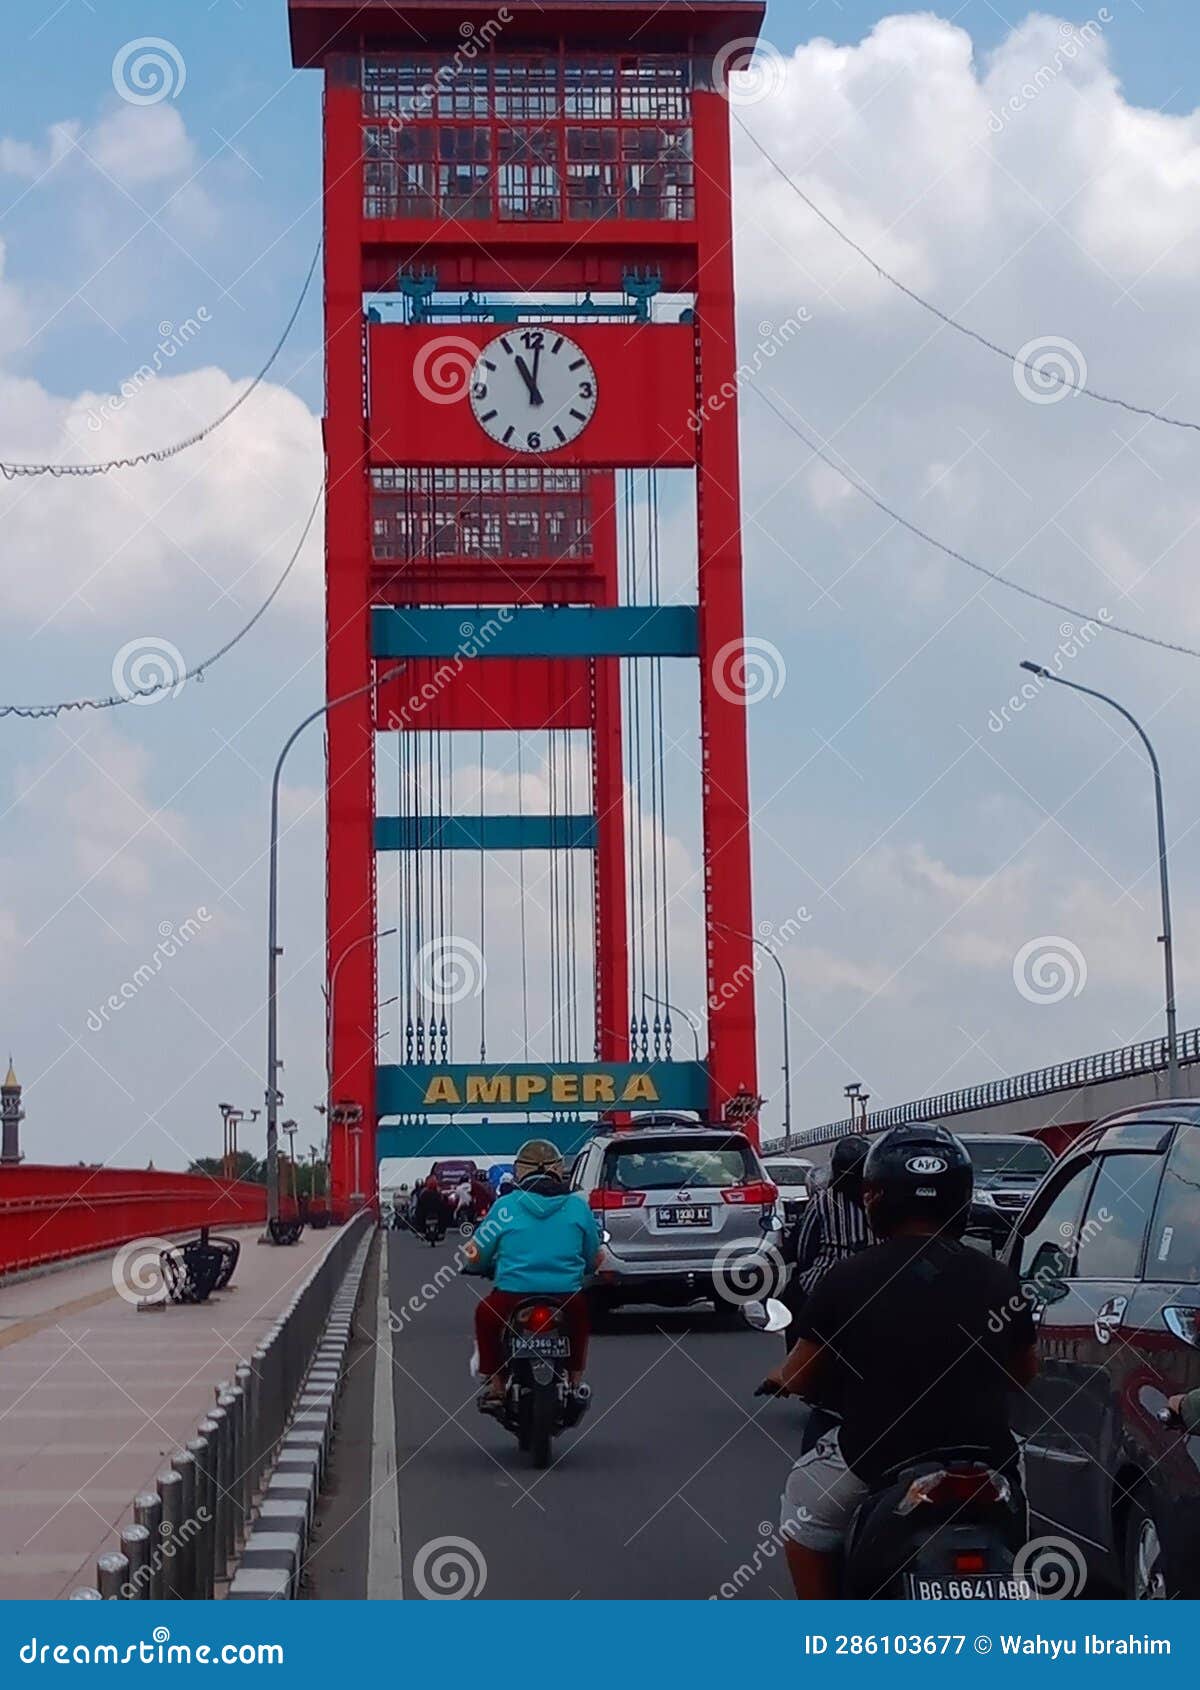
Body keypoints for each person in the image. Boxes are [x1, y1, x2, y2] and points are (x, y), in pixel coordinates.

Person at [760, 1123, 1038, 1600]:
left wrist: (781, 1379)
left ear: (875, 1198)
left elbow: (804, 1377)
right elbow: (1024, 1373)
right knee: (1022, 1506)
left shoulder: (847, 1278)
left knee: (804, 1515)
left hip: (875, 1457)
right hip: (989, 1455)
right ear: (961, 1198)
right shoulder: (997, 1277)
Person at [465, 1138, 601, 1416]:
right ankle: (575, 1382)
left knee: (486, 1316)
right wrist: (585, 1268)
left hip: (512, 1296)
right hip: (565, 1296)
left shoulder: (505, 1207)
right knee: (580, 1320)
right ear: (559, 1169)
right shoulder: (577, 1206)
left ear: (519, 1171)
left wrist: (475, 1263)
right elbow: (594, 1257)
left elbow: (475, 1254)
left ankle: (497, 1386)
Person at [412, 1174, 445, 1239]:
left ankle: (422, 1231)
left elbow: (420, 1203)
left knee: (419, 1214)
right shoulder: (437, 1191)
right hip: (431, 1211)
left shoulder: (425, 1192)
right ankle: (440, 1232)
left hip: (430, 1210)